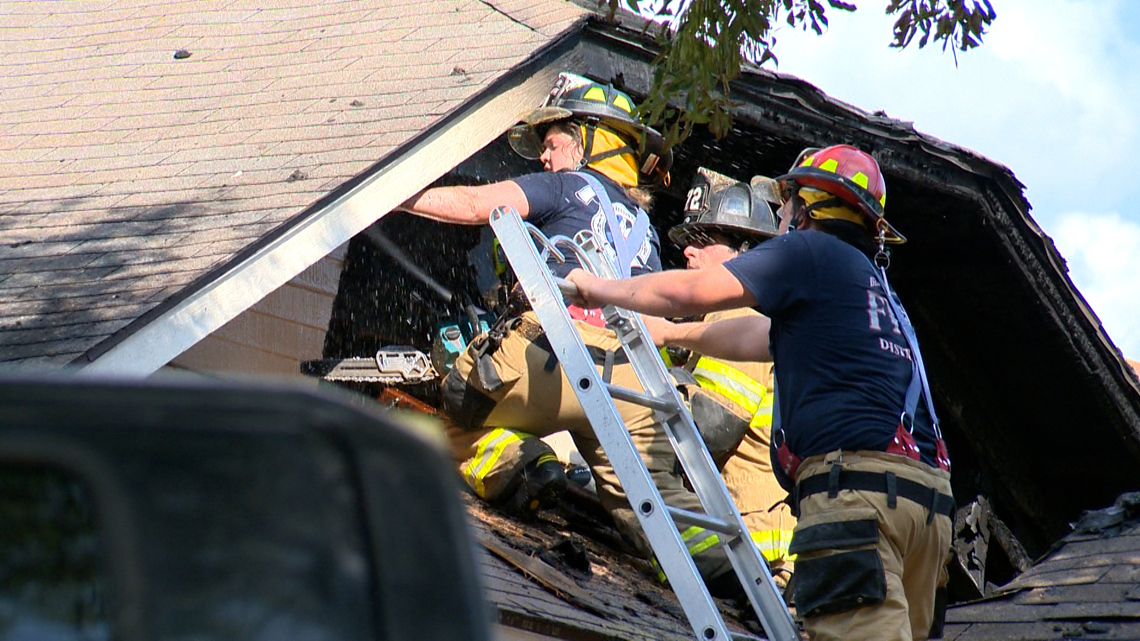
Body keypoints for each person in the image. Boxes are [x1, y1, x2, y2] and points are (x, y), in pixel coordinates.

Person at [567, 145, 954, 640]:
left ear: (809, 208)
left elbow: (688, 292)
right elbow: (759, 337)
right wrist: (670, 334)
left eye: (788, 201)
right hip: (928, 508)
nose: (783, 214)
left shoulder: (808, 252)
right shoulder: (873, 292)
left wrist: (597, 288)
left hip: (857, 495)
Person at [397, 72, 744, 593]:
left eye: (553, 142)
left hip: (550, 358)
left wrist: (391, 197)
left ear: (586, 143)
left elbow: (476, 207)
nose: (543, 157)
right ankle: (730, 573)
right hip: (631, 387)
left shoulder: (568, 185)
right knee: (649, 502)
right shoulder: (644, 229)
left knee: (450, 411)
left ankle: (522, 465)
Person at [667, 167, 796, 592]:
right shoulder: (719, 321)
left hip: (755, 536)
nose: (689, 252)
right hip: (747, 529)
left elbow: (705, 431)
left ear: (745, 254)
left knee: (652, 532)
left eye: (704, 242)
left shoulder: (743, 316)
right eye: (688, 240)